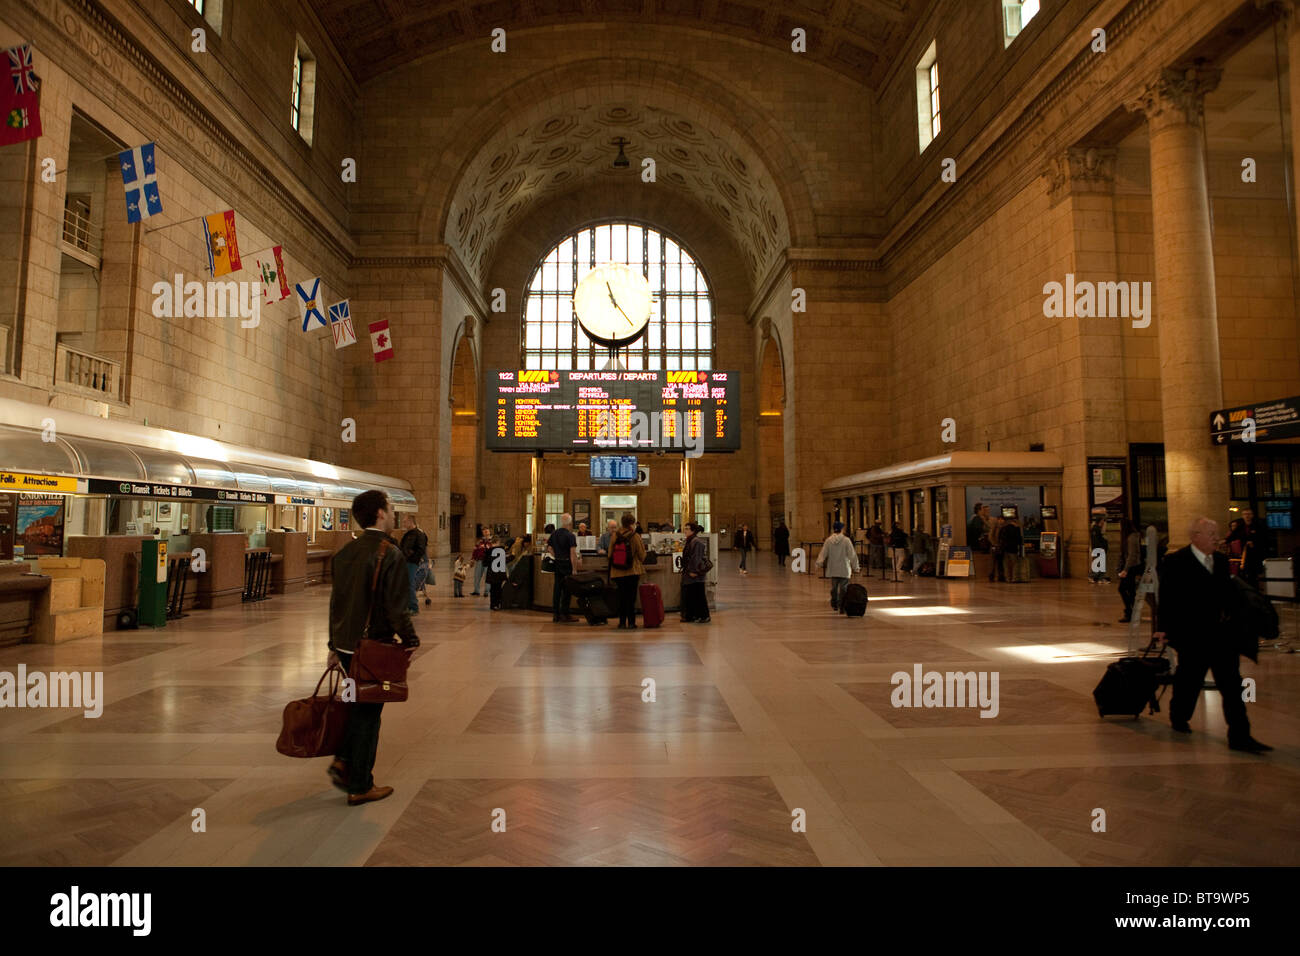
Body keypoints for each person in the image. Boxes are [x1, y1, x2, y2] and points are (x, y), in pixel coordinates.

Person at [326, 489, 420, 806]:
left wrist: (331, 644)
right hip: (371, 645)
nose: (394, 515)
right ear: (380, 513)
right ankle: (360, 784)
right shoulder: (388, 553)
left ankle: (343, 759)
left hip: (344, 644)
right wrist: (410, 640)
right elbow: (397, 609)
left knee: (355, 704)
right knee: (369, 713)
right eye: (391, 509)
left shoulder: (344, 553)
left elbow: (336, 603)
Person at [1154, 516, 1271, 754]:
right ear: (1196, 536)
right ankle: (1179, 716)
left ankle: (1240, 735)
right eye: (1212, 535)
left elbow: (1228, 595)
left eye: (1217, 534)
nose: (1217, 539)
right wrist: (1164, 628)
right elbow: (1166, 599)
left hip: (1221, 636)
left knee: (1231, 685)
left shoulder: (1220, 560)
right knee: (1189, 679)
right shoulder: (1176, 561)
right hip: (1192, 636)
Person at [608, 512, 647, 629]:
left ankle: (621, 622)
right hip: (632, 571)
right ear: (632, 524)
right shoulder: (635, 536)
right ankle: (631, 622)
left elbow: (610, 554)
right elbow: (642, 556)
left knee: (621, 597)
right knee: (631, 598)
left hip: (617, 572)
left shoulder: (615, 535)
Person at [816, 521, 860, 613]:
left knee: (834, 587)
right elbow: (852, 554)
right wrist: (856, 566)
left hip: (833, 568)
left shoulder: (828, 540)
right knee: (844, 588)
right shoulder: (846, 540)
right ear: (842, 529)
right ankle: (842, 605)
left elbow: (823, 553)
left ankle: (834, 603)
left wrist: (819, 563)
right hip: (844, 567)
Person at [548, 513, 581, 622]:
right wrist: (574, 569)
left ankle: (555, 614)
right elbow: (572, 553)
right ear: (570, 523)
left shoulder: (554, 533)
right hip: (567, 564)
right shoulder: (570, 536)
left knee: (557, 589)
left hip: (558, 563)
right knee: (567, 590)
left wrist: (556, 556)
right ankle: (565, 614)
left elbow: (549, 548)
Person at [1228, 508, 1270, 586]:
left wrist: (1254, 543)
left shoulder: (1259, 526)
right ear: (1242, 516)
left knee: (1253, 575)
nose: (1247, 516)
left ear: (1252, 515)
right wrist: (1224, 541)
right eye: (1245, 514)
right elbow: (1232, 536)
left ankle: (1254, 592)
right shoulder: (1240, 527)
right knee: (1244, 575)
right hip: (1244, 554)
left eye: (1249, 514)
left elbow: (1264, 538)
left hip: (1255, 554)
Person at [398, 515, 429, 614]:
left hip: (412, 562)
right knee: (405, 584)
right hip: (405, 561)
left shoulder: (419, 534)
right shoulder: (408, 534)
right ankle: (407, 606)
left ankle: (414, 607)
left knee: (410, 583)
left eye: (404, 521)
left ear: (411, 522)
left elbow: (421, 549)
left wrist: (412, 558)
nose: (403, 523)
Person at [681, 522, 711, 624]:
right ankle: (694, 615)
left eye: (687, 529)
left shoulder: (696, 541)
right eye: (685, 528)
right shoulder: (690, 541)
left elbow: (696, 558)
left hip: (695, 574)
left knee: (699, 595)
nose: (685, 530)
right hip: (690, 573)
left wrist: (693, 571)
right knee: (692, 595)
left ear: (693, 531)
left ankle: (704, 616)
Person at [1116, 518, 1142, 622]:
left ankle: (1130, 611)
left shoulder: (1131, 537)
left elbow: (1132, 555)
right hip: (1130, 566)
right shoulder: (1129, 537)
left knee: (1122, 589)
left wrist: (1125, 570)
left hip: (1132, 567)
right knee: (1131, 590)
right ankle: (1132, 612)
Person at [486, 537, 509, 610]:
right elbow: (505, 561)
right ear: (498, 542)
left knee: (493, 589)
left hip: (492, 573)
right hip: (499, 573)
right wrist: (512, 556)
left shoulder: (489, 551)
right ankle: (497, 604)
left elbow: (485, 563)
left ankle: (492, 604)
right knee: (498, 589)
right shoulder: (502, 550)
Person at [999, 515, 1023, 582]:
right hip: (1013, 548)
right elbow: (1019, 539)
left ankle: (1007, 578)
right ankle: (1014, 578)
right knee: (1015, 563)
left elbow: (1000, 538)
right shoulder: (1016, 528)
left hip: (1005, 548)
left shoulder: (1003, 528)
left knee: (1006, 564)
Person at [1089, 515, 1109, 584]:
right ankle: (1092, 576)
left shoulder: (1099, 529)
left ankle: (1100, 578)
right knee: (1098, 564)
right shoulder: (1096, 529)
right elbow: (1096, 541)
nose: (1104, 522)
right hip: (1098, 549)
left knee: (1101, 564)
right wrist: (1100, 548)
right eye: (1103, 520)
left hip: (1100, 549)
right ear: (1100, 521)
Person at [987, 515, 1006, 582]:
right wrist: (994, 544)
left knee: (1000, 562)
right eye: (999, 519)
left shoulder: (1004, 528)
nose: (1001, 521)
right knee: (993, 562)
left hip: (1001, 547)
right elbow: (990, 537)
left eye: (1002, 519)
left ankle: (1001, 576)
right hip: (994, 547)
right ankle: (991, 576)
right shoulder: (994, 527)